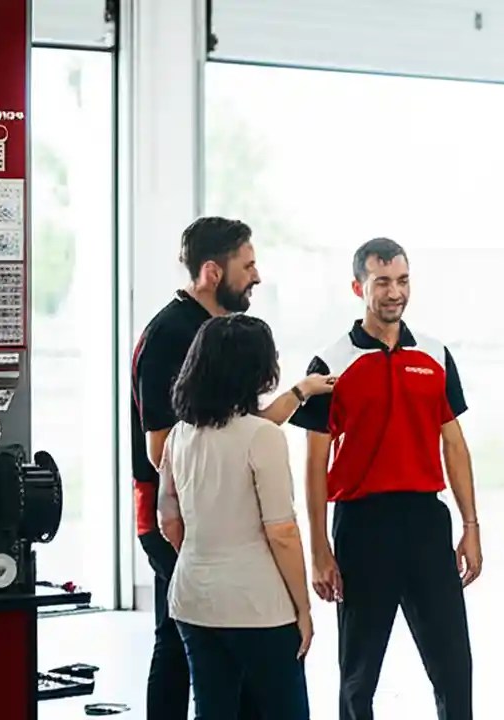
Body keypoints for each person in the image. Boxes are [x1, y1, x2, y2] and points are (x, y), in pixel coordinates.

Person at [131, 216, 334, 720]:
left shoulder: (212, 336)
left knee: (210, 672)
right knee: (178, 655)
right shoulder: (170, 336)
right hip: (186, 519)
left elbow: (229, 432)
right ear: (211, 272)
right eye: (248, 266)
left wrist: (298, 395)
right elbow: (165, 454)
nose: (257, 276)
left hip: (200, 532)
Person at [290, 237, 483, 720]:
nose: (394, 292)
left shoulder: (435, 354)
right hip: (362, 527)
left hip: (425, 523)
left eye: (402, 280)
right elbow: (314, 465)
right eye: (382, 282)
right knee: (359, 677)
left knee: (455, 668)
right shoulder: (330, 363)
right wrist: (319, 550)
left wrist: (471, 527)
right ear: (359, 287)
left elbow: (454, 445)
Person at [157, 313, 324, 720]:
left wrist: (204, 558)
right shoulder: (263, 436)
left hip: (193, 599)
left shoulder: (180, 434)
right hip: (258, 606)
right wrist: (303, 608)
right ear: (257, 370)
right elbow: (282, 532)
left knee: (213, 710)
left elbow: (168, 520)